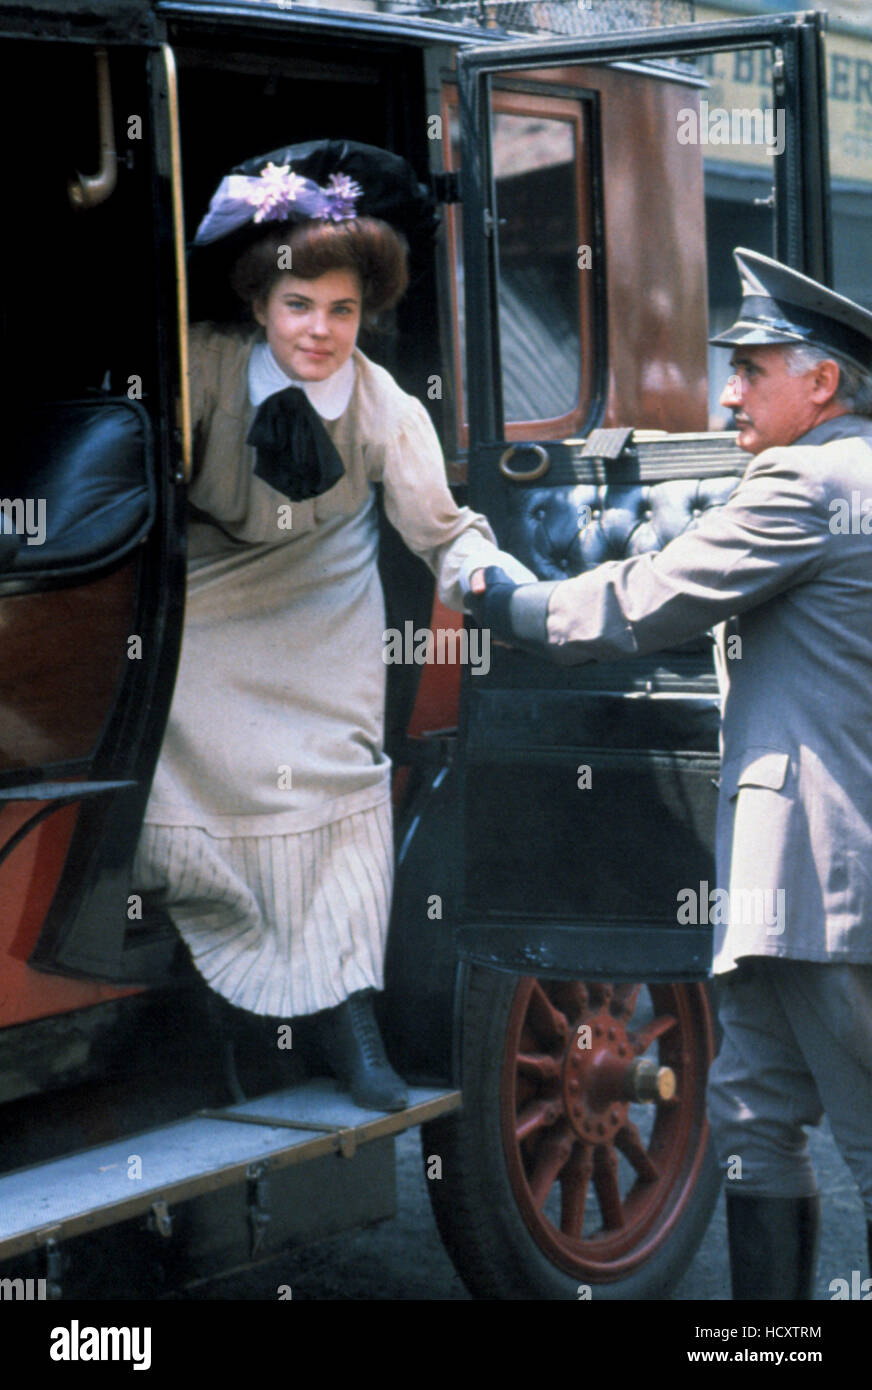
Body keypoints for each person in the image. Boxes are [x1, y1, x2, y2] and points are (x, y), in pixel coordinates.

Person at [467, 247, 872, 1300]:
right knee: (748, 1120)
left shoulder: (810, 479)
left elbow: (650, 598)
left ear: (819, 383)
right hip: (794, 891)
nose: (726, 391)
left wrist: (505, 601)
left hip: (825, 885)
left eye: (751, 369)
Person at [134, 140, 534, 1113]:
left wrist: (509, 589)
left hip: (325, 617)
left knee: (341, 786)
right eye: (298, 305)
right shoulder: (201, 366)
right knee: (168, 766)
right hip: (215, 616)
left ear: (367, 311)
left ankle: (350, 1027)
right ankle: (217, 1009)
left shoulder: (385, 403)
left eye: (342, 309)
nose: (319, 330)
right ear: (261, 307)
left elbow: (442, 530)